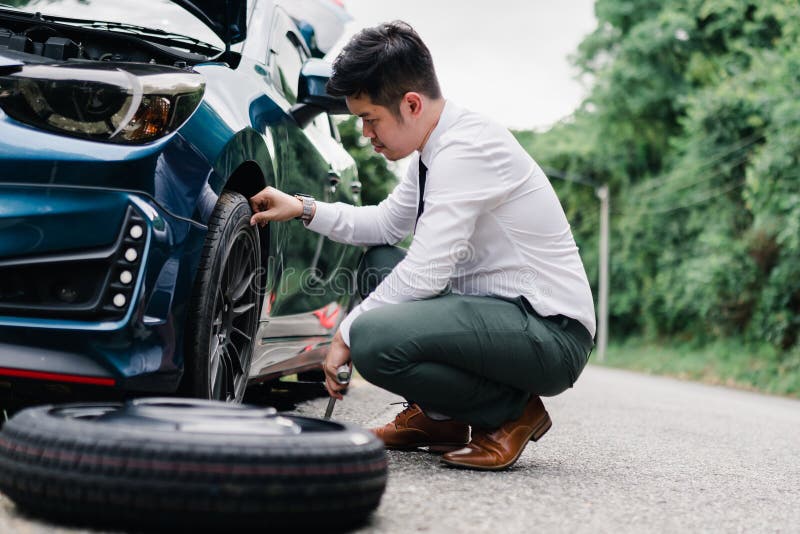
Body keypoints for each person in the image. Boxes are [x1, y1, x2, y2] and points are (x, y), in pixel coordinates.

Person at [248, 21, 595, 471]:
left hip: (551, 331)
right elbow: (386, 225)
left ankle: (511, 414)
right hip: (501, 315)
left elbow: (428, 271)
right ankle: (440, 418)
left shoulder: (466, 149)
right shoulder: (433, 151)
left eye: (370, 119)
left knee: (374, 338)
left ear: (411, 104)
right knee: (379, 262)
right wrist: (301, 207)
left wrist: (347, 332)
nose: (366, 134)